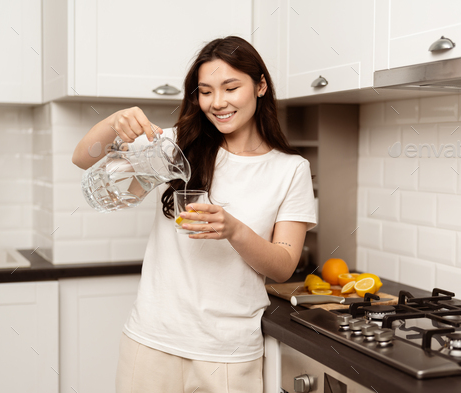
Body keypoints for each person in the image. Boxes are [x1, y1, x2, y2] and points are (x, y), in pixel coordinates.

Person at [72, 36, 317, 393]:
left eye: (231, 87)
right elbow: (83, 158)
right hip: (152, 341)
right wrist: (114, 121)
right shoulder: (175, 146)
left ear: (260, 85)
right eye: (205, 91)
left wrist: (234, 230)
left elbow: (283, 266)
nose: (217, 103)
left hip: (228, 354)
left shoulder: (290, 169)